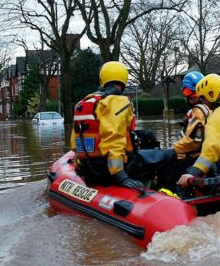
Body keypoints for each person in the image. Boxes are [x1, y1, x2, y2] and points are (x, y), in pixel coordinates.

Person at [72, 61, 173, 189]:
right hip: (112, 171)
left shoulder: (84, 103)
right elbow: (114, 139)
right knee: (170, 155)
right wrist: (120, 175)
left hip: (89, 170)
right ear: (124, 80)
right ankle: (166, 192)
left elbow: (75, 144)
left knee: (146, 138)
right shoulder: (118, 101)